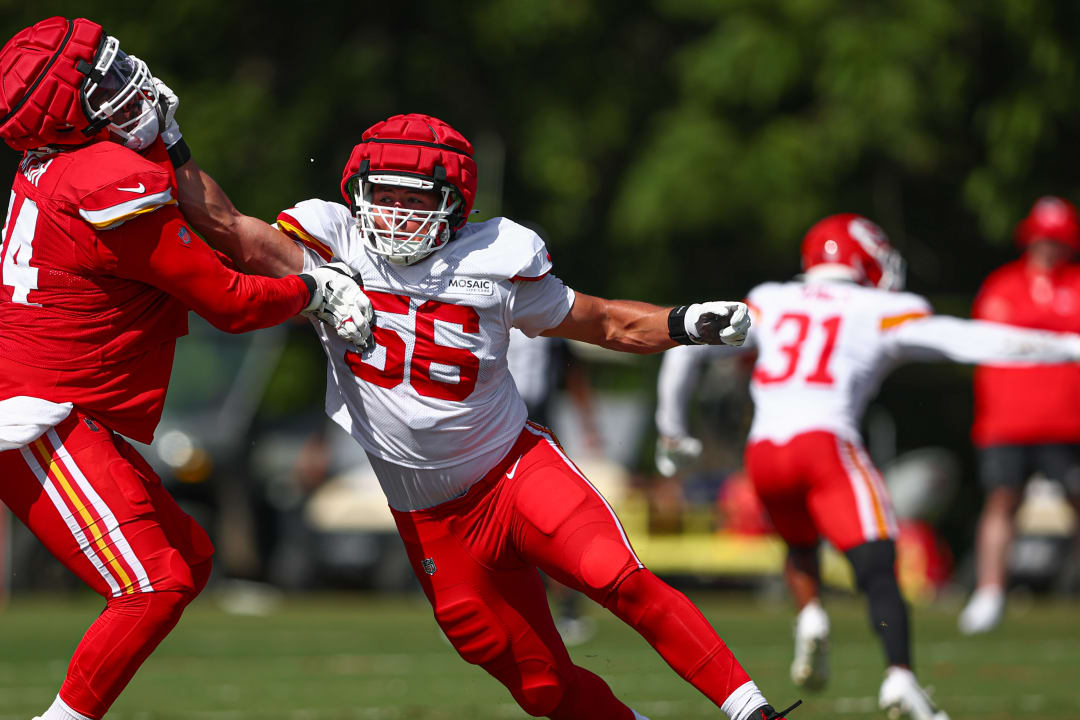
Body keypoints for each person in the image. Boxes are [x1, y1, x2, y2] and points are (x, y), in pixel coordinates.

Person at [232, 112, 795, 720]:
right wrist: (165, 156)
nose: (394, 215)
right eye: (384, 196)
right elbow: (228, 228)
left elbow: (603, 321)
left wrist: (684, 322)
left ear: (453, 204)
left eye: (414, 199)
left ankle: (752, 713)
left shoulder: (495, 258)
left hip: (512, 472)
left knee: (617, 577)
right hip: (427, 515)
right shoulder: (331, 242)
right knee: (539, 686)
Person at [0, 17, 372, 720]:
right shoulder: (104, 183)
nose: (130, 83)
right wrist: (315, 292)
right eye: (105, 80)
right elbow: (231, 303)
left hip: (64, 407)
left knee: (191, 557)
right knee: (154, 583)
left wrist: (171, 145)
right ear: (68, 110)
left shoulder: (64, 165)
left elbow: (205, 214)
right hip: (34, 416)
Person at [654, 213, 1080, 720]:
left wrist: (672, 428)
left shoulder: (769, 299)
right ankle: (901, 679)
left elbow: (684, 347)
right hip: (826, 444)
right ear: (862, 256)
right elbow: (973, 340)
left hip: (764, 451)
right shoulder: (883, 308)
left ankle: (811, 617)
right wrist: (1066, 347)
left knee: (800, 543)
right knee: (878, 565)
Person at [959, 196, 1080, 635]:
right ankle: (990, 592)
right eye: (1043, 238)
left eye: (1058, 239)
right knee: (1001, 501)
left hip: (1069, 423)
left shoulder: (1077, 284)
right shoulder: (1002, 284)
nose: (1049, 247)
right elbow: (995, 336)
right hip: (1008, 421)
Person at [507, 329, 605, 646]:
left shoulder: (544, 324)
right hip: (492, 425)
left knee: (553, 520)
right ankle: (484, 606)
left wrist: (589, 425)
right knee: (485, 518)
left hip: (538, 426)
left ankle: (568, 609)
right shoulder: (484, 308)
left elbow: (574, 374)